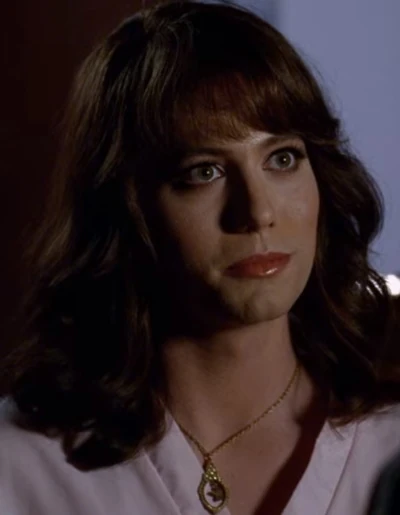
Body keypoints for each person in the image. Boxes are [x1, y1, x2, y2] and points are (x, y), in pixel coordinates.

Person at [0, 1, 399, 514]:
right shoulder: (21, 466)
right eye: (204, 171)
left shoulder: (387, 445)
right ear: (126, 208)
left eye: (282, 158)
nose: (257, 212)